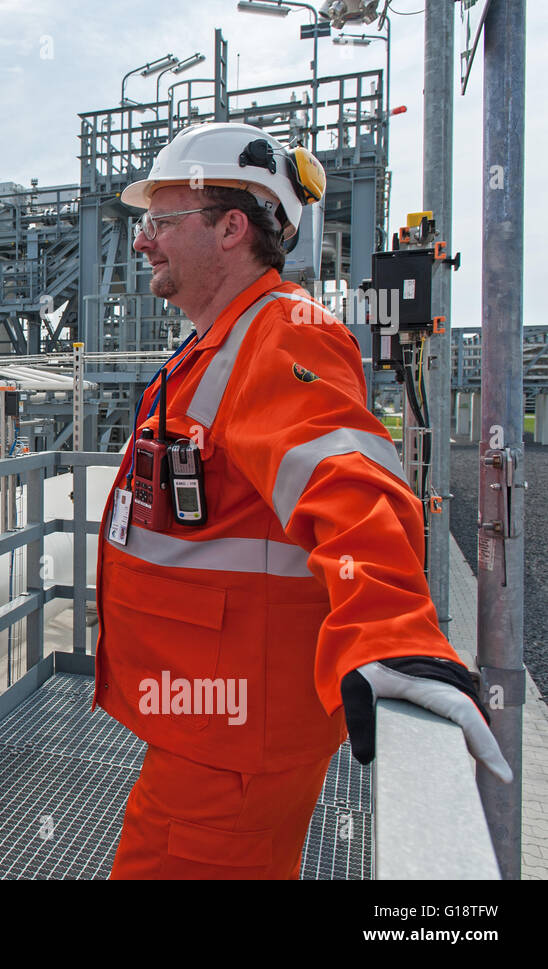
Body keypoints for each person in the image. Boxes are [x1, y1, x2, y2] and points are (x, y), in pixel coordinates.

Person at [95, 122, 510, 879]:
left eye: (160, 220)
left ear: (230, 227)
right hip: (202, 727)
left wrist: (388, 627)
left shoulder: (285, 333)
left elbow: (348, 480)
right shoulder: (217, 345)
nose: (140, 241)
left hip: (232, 746)